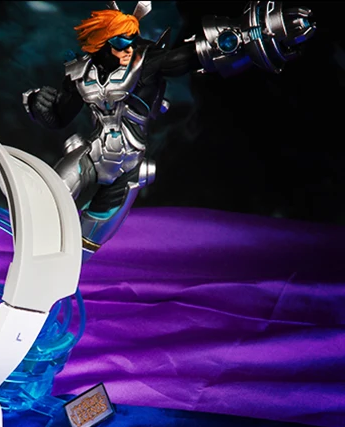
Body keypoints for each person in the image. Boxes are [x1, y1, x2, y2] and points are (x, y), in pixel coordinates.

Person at [23, 1, 315, 261]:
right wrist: (39, 104)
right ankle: (30, 263)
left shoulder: (146, 64)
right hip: (90, 154)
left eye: (131, 40)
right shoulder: (79, 73)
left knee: (86, 243)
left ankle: (55, 283)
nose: (129, 49)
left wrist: (244, 36)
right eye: (121, 42)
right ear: (99, 43)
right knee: (48, 200)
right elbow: (58, 116)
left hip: (127, 165)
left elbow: (190, 57)